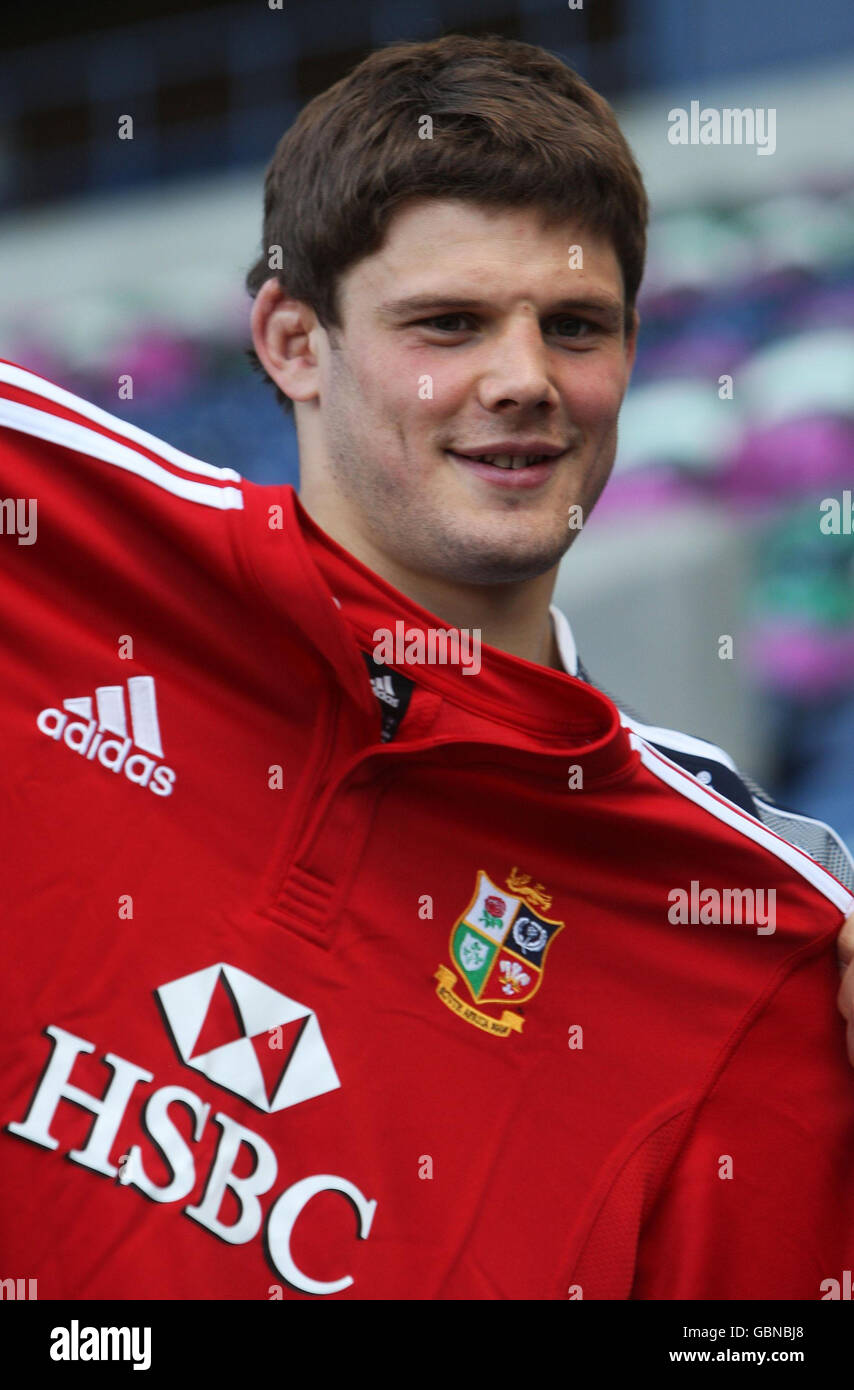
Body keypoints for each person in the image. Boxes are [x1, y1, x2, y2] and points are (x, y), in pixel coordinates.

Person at [2, 32, 853, 1301]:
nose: (522, 382)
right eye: (445, 324)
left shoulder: (733, 917)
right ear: (292, 341)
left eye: (575, 327)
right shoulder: (44, 534)